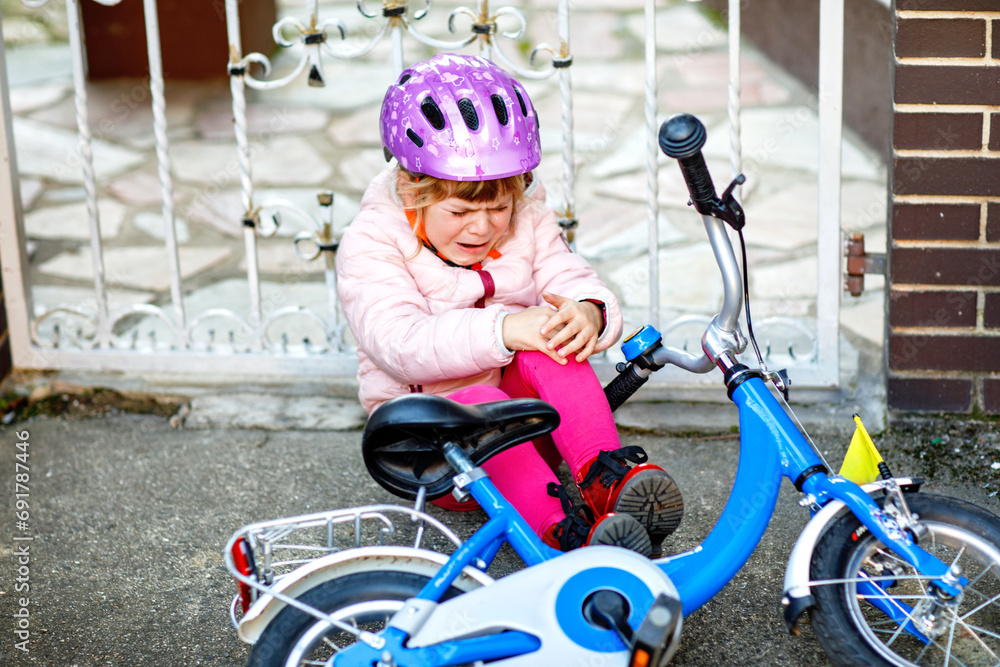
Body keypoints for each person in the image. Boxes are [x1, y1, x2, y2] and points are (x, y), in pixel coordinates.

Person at [337, 53, 682, 557]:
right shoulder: (372, 242)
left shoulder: (529, 217)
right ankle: (562, 533)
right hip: (439, 450)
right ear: (413, 191)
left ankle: (606, 477)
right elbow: (399, 344)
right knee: (482, 400)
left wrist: (590, 311)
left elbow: (570, 276)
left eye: (498, 208)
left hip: (530, 426)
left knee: (554, 342)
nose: (481, 227)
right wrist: (504, 330)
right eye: (458, 211)